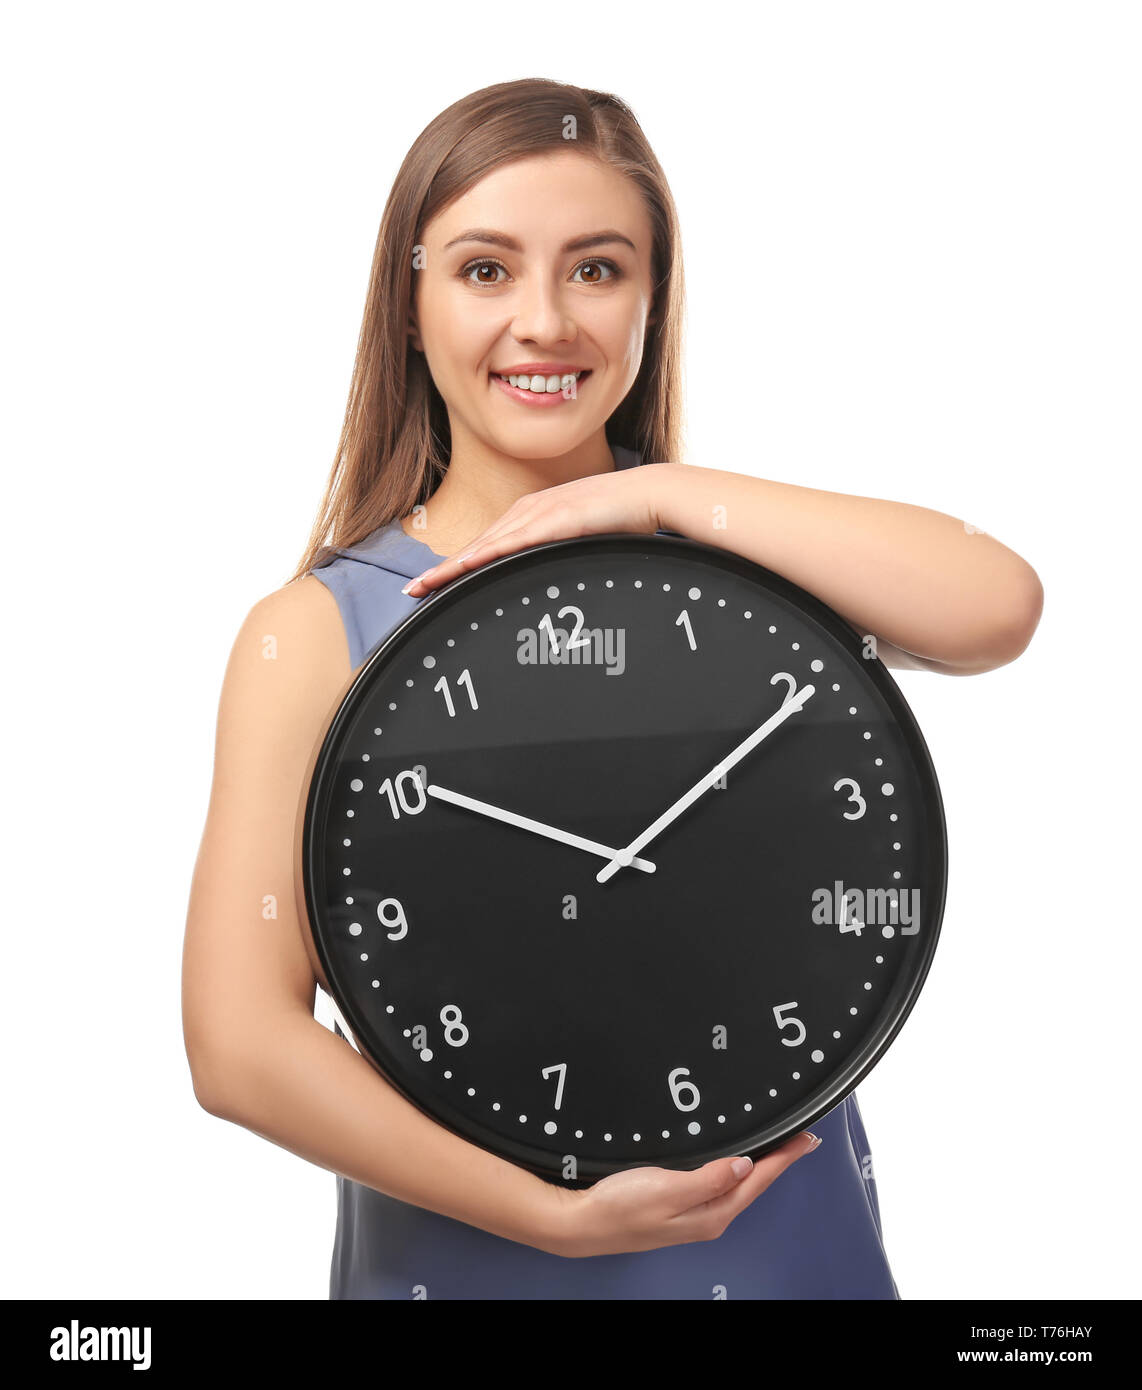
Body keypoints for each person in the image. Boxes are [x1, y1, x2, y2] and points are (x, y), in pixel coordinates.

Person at [181, 78, 1043, 1300]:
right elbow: (239, 1046)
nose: (542, 321)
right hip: (472, 1264)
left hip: (780, 1261)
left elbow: (994, 605)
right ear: (410, 308)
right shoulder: (316, 632)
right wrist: (552, 1219)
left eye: (595, 269)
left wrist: (656, 495)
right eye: (485, 270)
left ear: (651, 298)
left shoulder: (736, 570)